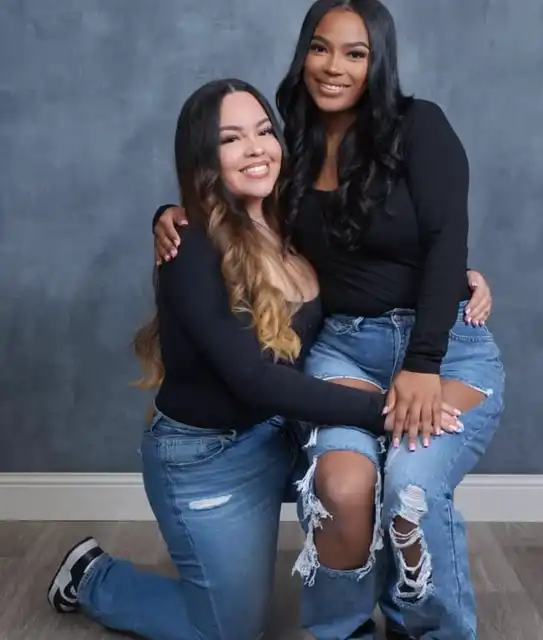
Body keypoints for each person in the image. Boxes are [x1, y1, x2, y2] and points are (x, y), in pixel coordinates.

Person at [152, 1, 504, 639]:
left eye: (355, 53)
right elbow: (241, 208)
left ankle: (430, 629)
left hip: (440, 346)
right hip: (341, 352)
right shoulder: (291, 141)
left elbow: (444, 239)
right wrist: (173, 213)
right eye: (320, 47)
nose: (333, 66)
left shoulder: (420, 126)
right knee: (340, 491)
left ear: (378, 61)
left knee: (409, 495)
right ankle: (341, 631)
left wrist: (429, 347)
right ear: (303, 53)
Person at [46, 78, 425, 640]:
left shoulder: (291, 216)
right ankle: (92, 576)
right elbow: (254, 379)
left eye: (264, 131)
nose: (255, 149)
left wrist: (456, 281)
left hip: (283, 428)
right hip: (208, 457)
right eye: (230, 139)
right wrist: (383, 411)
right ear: (204, 158)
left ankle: (385, 621)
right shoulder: (191, 247)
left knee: (372, 481)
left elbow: (379, 262)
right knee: (228, 631)